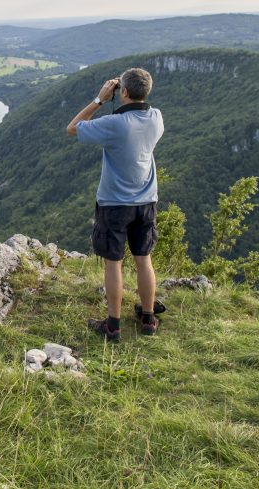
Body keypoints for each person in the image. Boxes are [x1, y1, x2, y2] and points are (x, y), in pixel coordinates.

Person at [66, 68, 164, 341]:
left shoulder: (114, 124)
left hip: (114, 205)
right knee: (144, 260)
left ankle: (113, 325)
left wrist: (99, 100)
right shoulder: (156, 118)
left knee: (114, 264)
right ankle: (147, 318)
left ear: (123, 92)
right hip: (146, 201)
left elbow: (72, 128)